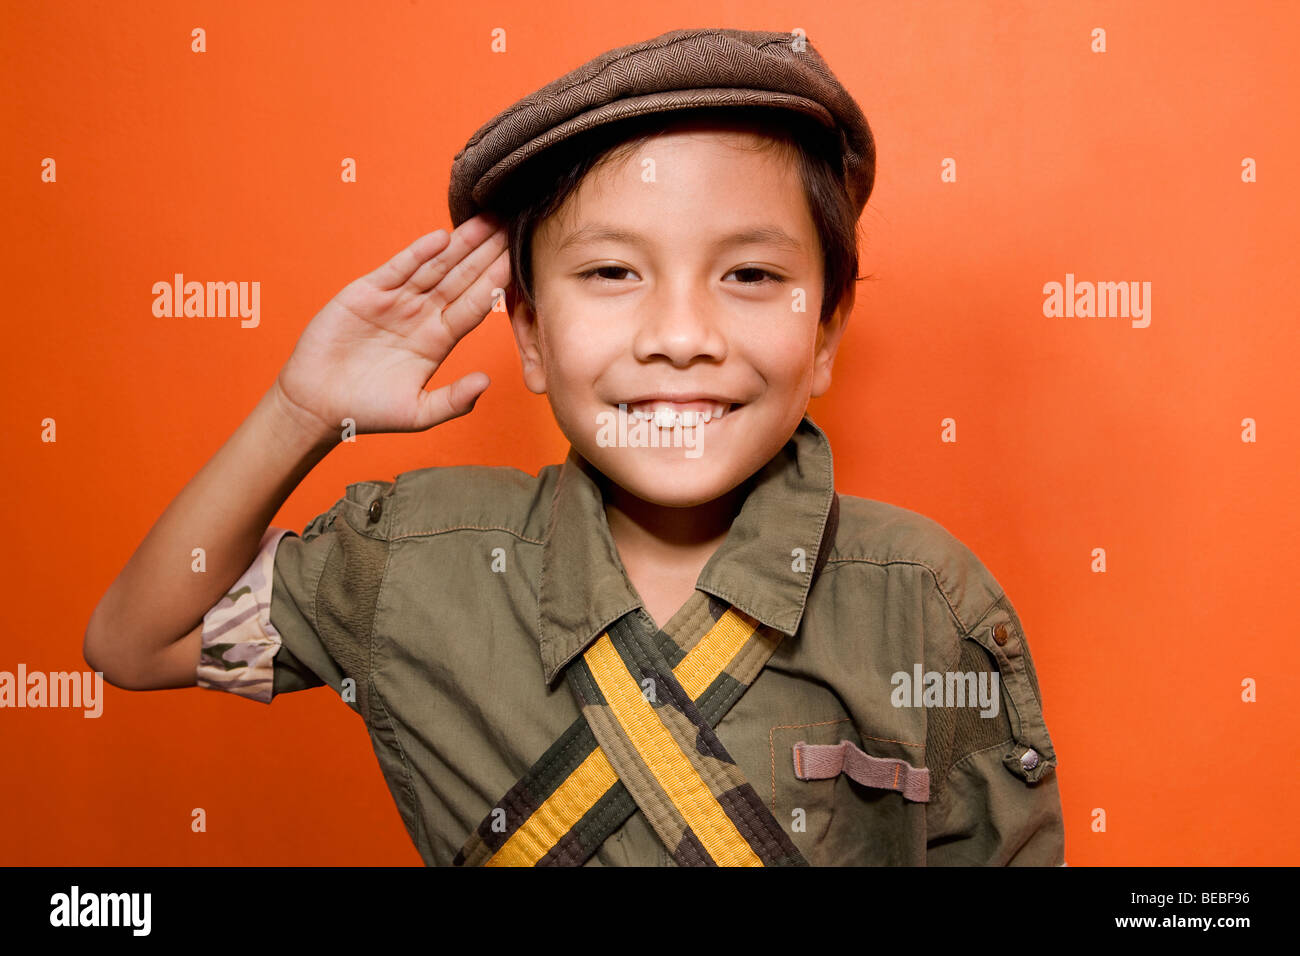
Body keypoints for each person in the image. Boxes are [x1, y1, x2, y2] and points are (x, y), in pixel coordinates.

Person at [84, 27, 1065, 866]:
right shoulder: (413, 562)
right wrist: (302, 408)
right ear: (530, 335)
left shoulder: (924, 601)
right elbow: (138, 642)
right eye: (610, 270)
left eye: (752, 274)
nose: (680, 333)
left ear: (823, 336)